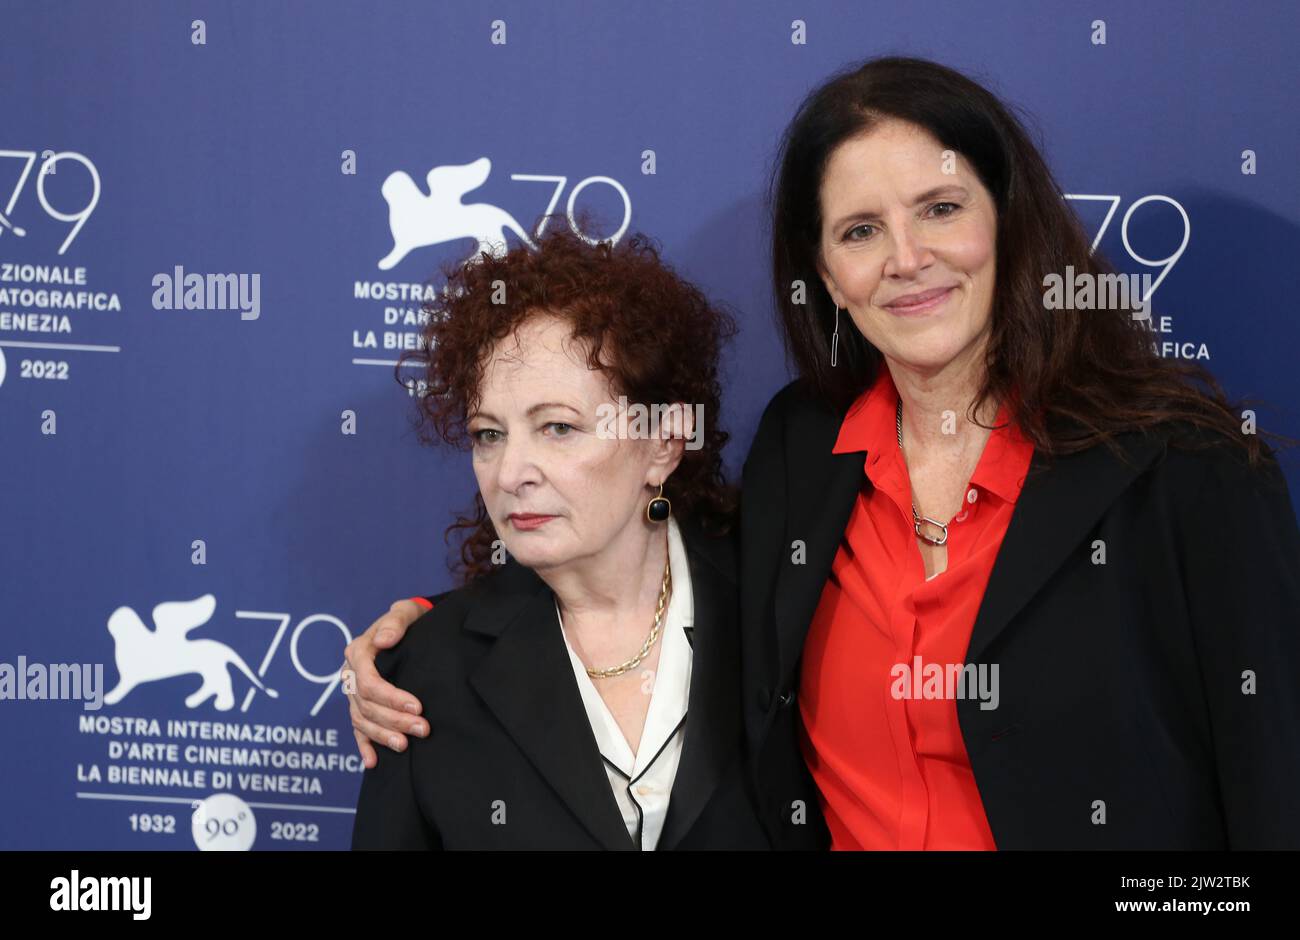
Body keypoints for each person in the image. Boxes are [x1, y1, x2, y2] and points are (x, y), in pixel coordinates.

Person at [348, 57, 1300, 850]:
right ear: (826, 276)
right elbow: (643, 558)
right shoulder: (804, 450)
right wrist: (422, 637)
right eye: (859, 231)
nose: (907, 258)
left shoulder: (1184, 473)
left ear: (1009, 222)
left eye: (939, 208)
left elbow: (1269, 794)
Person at [350, 224, 769, 850]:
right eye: (490, 434)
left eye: (558, 428)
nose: (512, 473)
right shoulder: (422, 670)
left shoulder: (777, 612)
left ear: (664, 440)